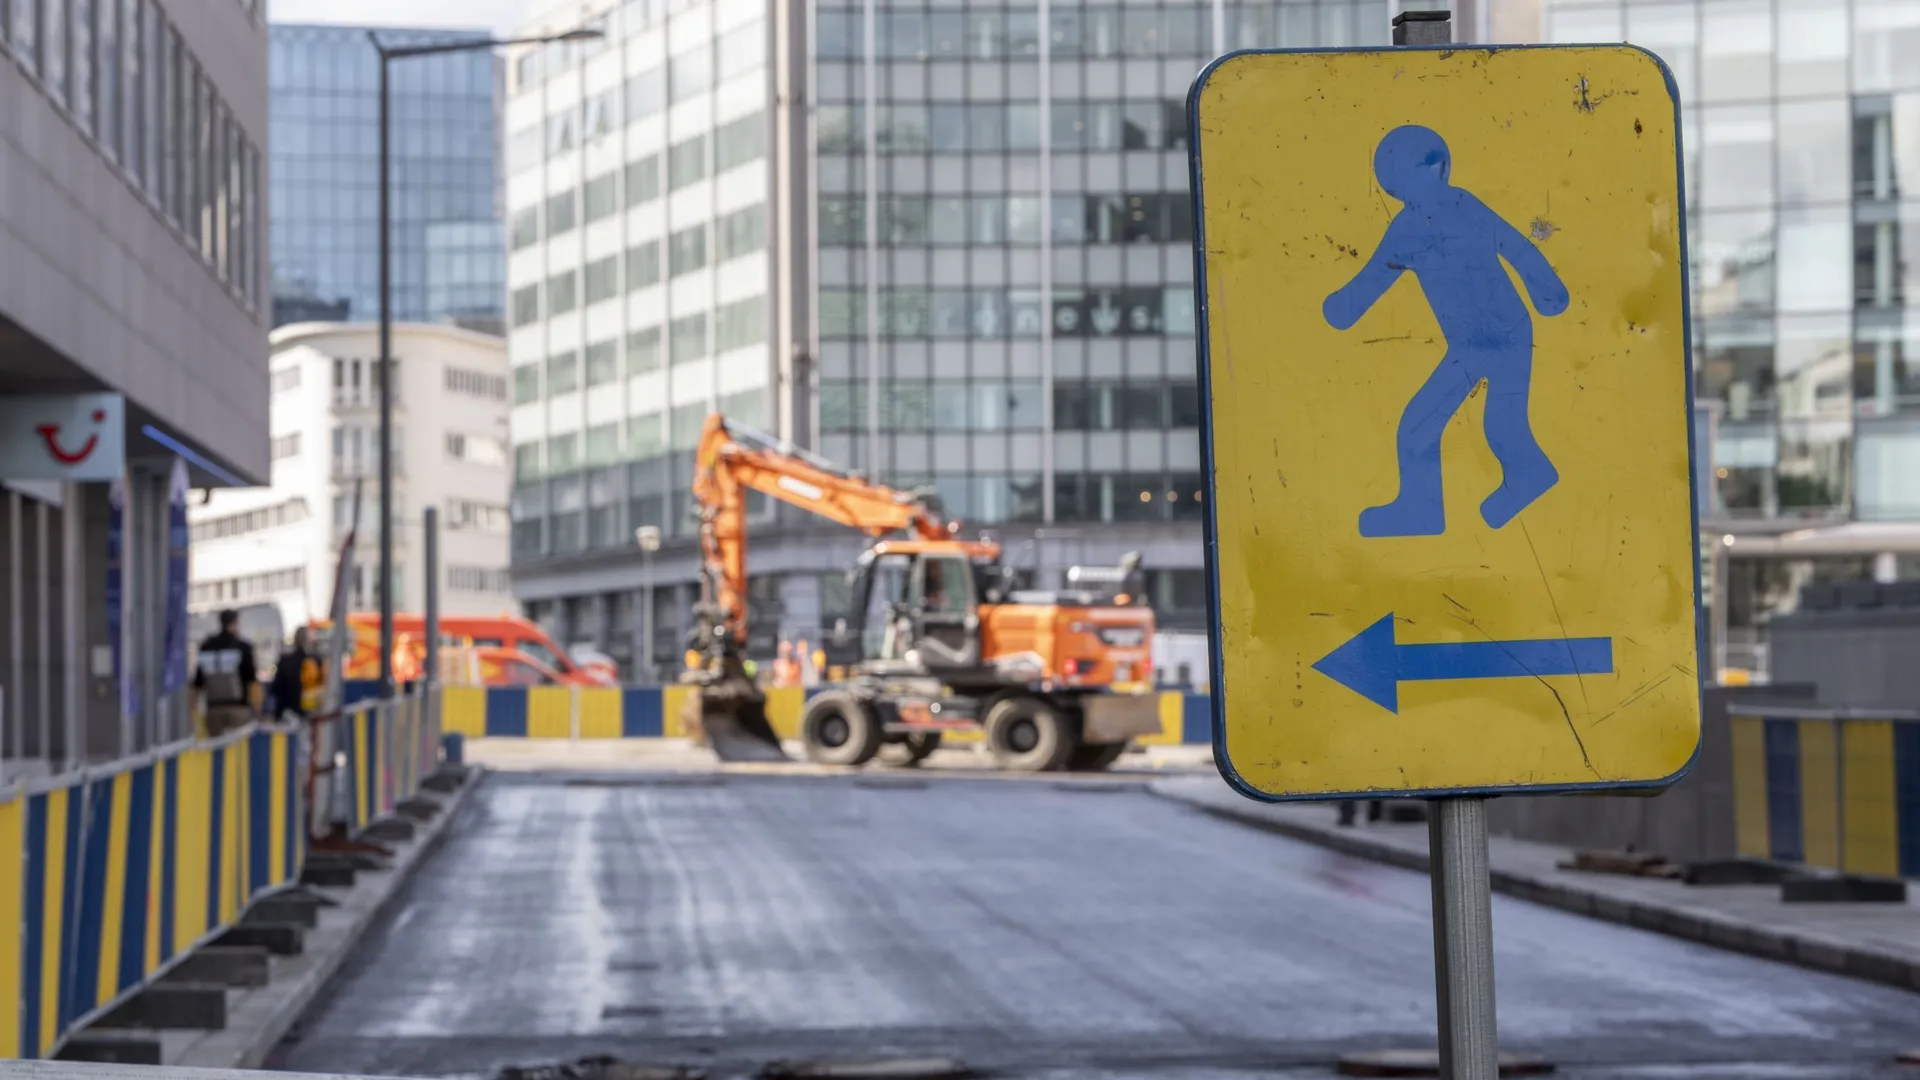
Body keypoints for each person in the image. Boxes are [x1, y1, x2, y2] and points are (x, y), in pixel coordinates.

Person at [1323, 124, 1570, 539]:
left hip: (1502, 334)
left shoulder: (1457, 208)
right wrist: (1343, 307)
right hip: (1477, 341)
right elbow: (1372, 281)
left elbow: (1514, 246)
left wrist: (1548, 291)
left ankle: (1517, 479)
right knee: (1437, 422)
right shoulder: (1411, 227)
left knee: (1482, 424)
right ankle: (1431, 507)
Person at [194, 609, 259, 737]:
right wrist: (257, 707)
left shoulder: (206, 646)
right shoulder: (243, 647)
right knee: (238, 750)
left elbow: (198, 682)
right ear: (235, 623)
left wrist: (193, 711)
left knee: (217, 749)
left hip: (213, 708)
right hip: (238, 707)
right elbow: (251, 680)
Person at [269, 627, 323, 722]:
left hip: (287, 715)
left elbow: (275, 689)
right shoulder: (316, 662)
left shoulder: (285, 662)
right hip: (311, 714)